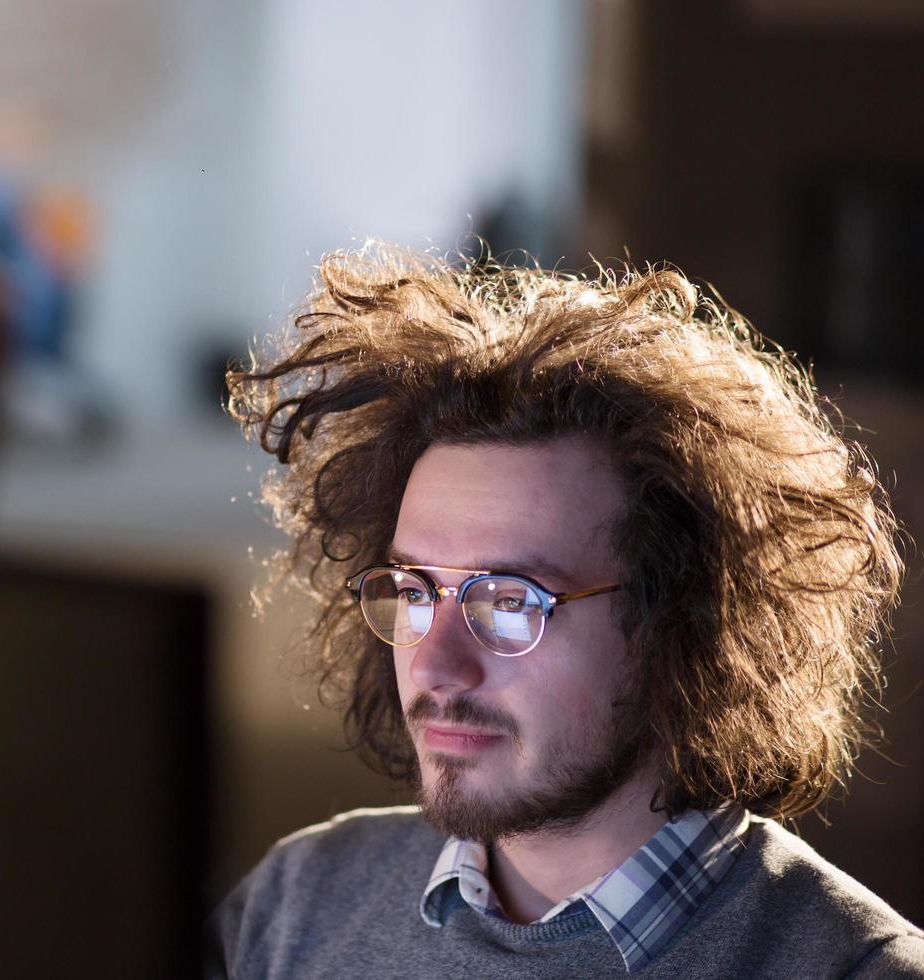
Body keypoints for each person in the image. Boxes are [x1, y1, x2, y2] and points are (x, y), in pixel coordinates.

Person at [210, 244, 924, 977]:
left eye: (513, 603)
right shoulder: (297, 903)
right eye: (417, 592)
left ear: (685, 623)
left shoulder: (856, 969)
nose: (435, 665)